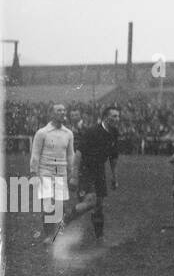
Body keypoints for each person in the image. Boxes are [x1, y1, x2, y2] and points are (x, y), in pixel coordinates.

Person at [67, 104, 121, 242]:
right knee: (90, 202)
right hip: (85, 170)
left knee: (99, 205)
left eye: (118, 116)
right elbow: (79, 154)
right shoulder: (93, 132)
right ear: (105, 117)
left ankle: (99, 237)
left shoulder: (114, 133)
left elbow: (113, 157)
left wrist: (114, 177)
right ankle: (64, 220)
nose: (117, 119)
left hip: (99, 171)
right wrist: (74, 176)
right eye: (114, 116)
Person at [29, 103, 75, 241]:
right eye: (58, 110)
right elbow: (35, 154)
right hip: (45, 172)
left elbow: (70, 154)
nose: (62, 112)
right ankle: (49, 235)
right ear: (51, 114)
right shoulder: (42, 132)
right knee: (48, 205)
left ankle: (56, 233)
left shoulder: (68, 133)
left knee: (60, 205)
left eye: (63, 110)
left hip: (61, 172)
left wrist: (72, 172)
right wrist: (33, 173)